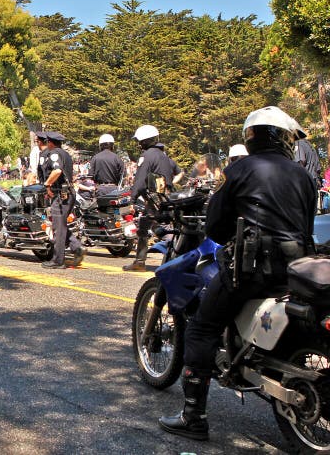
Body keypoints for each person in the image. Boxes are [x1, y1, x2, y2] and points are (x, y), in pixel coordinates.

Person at [159, 105, 316, 441]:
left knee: (201, 327)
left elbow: (216, 225)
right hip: (295, 270)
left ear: (253, 136)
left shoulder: (240, 169)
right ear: (284, 137)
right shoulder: (303, 175)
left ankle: (193, 416)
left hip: (253, 270)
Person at [123, 125, 183, 272]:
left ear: (144, 141)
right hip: (166, 196)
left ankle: (142, 262)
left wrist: (132, 199)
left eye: (139, 141)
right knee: (156, 225)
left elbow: (140, 179)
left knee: (153, 227)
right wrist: (169, 184)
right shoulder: (165, 156)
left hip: (154, 198)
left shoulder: (146, 156)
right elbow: (180, 173)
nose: (138, 144)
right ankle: (143, 261)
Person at [40, 131, 85, 269]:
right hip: (68, 193)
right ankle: (76, 248)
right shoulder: (66, 154)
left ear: (50, 142)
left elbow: (57, 171)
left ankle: (58, 260)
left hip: (61, 193)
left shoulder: (54, 153)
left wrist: (47, 184)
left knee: (58, 227)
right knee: (60, 225)